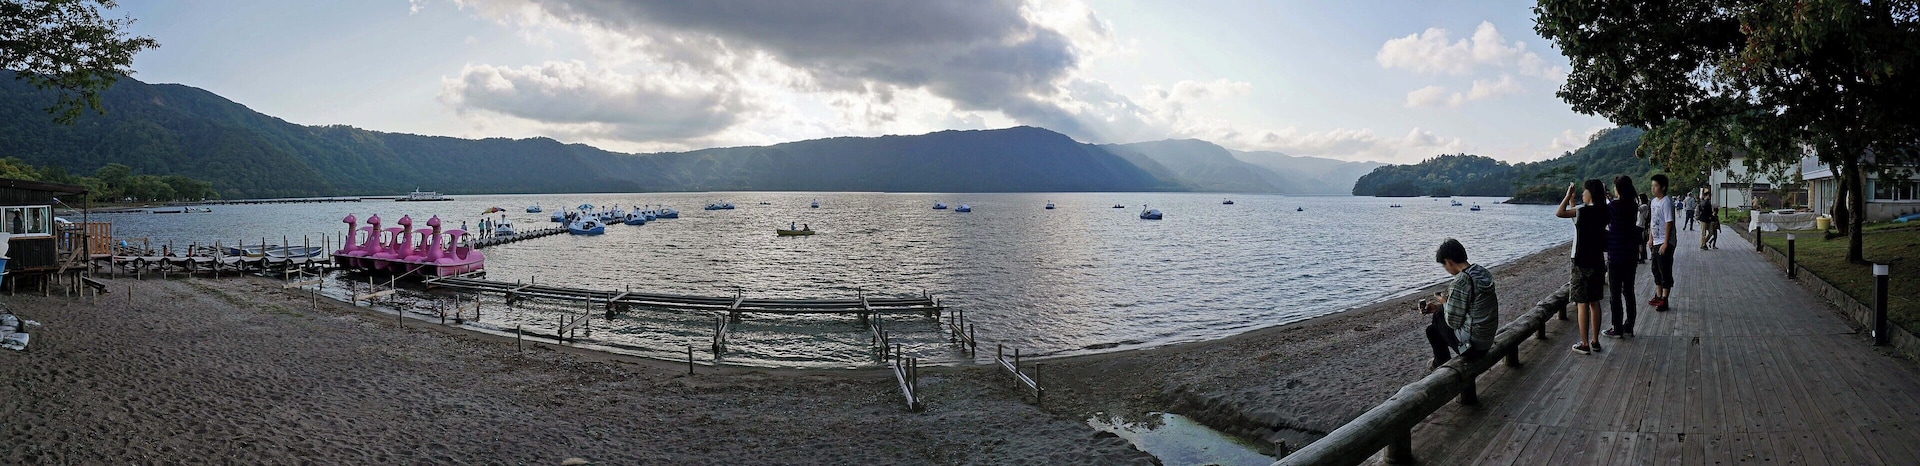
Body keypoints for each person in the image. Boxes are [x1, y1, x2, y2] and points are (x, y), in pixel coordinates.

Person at [1419, 238, 1498, 369]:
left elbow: (1452, 322)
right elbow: (1471, 307)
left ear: (1449, 262)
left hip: (1473, 346)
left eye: (1444, 265)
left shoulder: (1461, 281)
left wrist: (1444, 304)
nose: (1446, 269)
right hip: (1487, 339)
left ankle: (1441, 366)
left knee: (1437, 319)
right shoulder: (1481, 272)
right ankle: (1439, 364)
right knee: (1432, 330)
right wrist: (1441, 306)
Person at [1558, 179, 1610, 354]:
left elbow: (1560, 213)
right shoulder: (1603, 211)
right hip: (1597, 261)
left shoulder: (1582, 211)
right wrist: (1573, 200)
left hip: (1580, 261)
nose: (1582, 194)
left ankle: (1584, 343)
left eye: (1584, 191)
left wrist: (1567, 196)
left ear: (1591, 193)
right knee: (1594, 302)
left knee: (1581, 303)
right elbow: (1577, 222)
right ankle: (1595, 341)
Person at [1604, 176, 1642, 338]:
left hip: (1615, 254)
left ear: (1618, 189)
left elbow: (1605, 219)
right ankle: (1629, 326)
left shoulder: (1613, 206)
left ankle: (1617, 327)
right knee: (1628, 291)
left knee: (1615, 294)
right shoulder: (1633, 206)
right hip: (1631, 254)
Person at [1648, 174, 1677, 312]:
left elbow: (1669, 223)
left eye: (1655, 186)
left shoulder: (1667, 202)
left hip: (1665, 241)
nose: (1653, 188)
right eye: (1652, 186)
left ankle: (1664, 299)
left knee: (1664, 269)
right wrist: (1650, 238)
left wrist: (1666, 243)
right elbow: (1652, 221)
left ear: (1663, 187)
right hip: (1656, 240)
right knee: (1655, 269)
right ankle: (1658, 295)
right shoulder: (1653, 202)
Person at [1636, 194, 1651, 263]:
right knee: (1639, 242)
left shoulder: (1644, 206)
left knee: (1639, 242)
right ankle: (1641, 256)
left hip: (1640, 225)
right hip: (1639, 225)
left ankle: (1641, 257)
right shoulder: (1644, 206)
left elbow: (1637, 208)